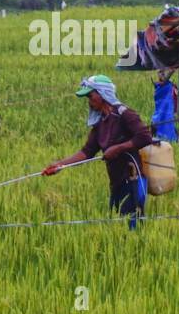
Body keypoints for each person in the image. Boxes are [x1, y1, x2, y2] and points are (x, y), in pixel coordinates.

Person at [44, 74, 153, 230]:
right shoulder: (100, 122)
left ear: (102, 94)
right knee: (116, 225)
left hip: (133, 180)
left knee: (131, 227)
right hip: (116, 182)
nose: (89, 101)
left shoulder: (124, 114)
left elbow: (145, 137)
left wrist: (118, 148)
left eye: (90, 96)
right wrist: (60, 165)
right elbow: (86, 152)